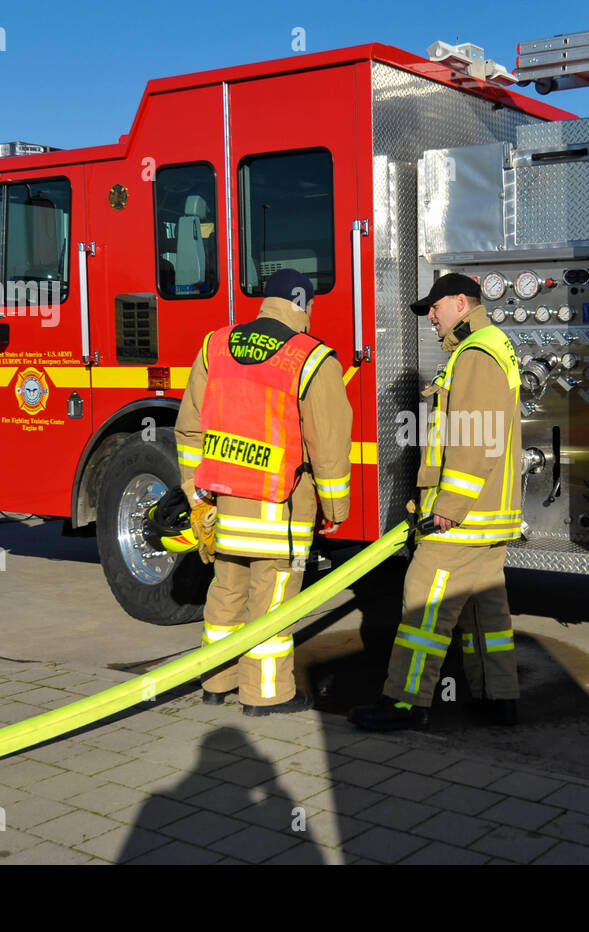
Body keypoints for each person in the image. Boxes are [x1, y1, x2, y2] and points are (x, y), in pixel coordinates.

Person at [350, 273, 523, 731]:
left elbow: (475, 438)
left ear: (461, 303)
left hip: (465, 517)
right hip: (489, 516)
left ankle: (405, 703)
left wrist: (448, 504)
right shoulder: (489, 345)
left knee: (422, 602)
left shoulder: (476, 353)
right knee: (485, 610)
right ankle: (498, 697)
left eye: (435, 307)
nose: (431, 316)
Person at [175, 268, 352, 715]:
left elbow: (189, 429)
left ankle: (217, 682)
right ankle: (266, 694)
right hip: (279, 512)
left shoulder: (216, 346)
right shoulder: (312, 359)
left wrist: (197, 498)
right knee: (271, 606)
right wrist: (335, 506)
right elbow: (328, 443)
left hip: (224, 509)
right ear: (303, 305)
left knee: (226, 594)